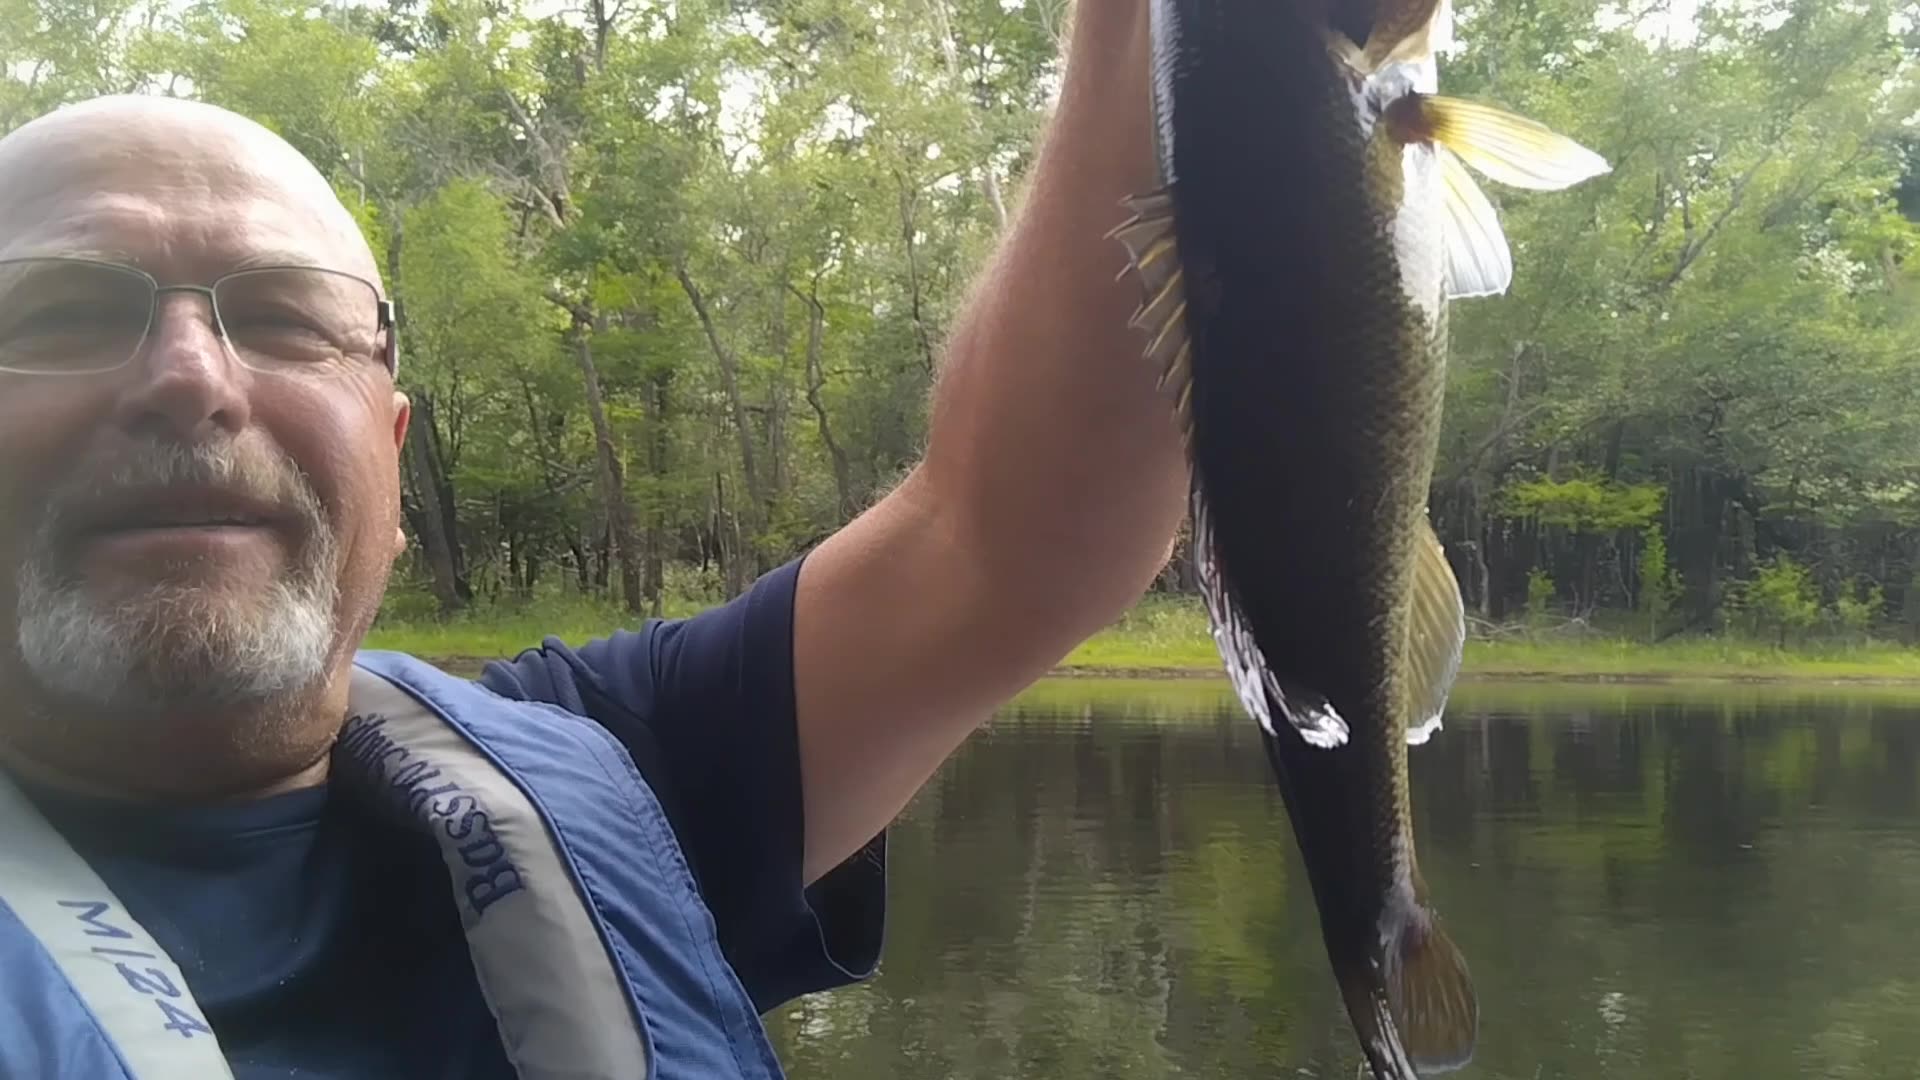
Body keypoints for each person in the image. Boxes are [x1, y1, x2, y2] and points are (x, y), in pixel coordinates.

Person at [0, 0, 1183, 1075]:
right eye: (57, 313)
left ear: (392, 461)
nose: (192, 378)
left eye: (283, 317)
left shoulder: (612, 772)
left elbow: (1007, 539)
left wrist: (1174, 37)